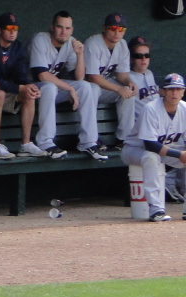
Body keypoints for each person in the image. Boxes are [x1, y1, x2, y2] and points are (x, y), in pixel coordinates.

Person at [29, 11, 107, 160]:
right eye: (59, 27)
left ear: (72, 29)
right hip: (30, 88)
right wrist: (69, 88)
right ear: (52, 27)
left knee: (85, 86)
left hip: (51, 89)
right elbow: (42, 75)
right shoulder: (40, 39)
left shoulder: (70, 42)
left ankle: (88, 142)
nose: (63, 32)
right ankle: (45, 142)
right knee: (50, 87)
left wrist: (79, 55)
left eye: (67, 28)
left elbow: (79, 77)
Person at [120, 73, 186, 222]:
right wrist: (180, 155)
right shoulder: (151, 109)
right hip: (134, 150)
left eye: (178, 89)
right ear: (162, 92)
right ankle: (156, 210)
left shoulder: (185, 109)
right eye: (170, 89)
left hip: (167, 149)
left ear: (183, 91)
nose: (174, 93)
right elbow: (150, 144)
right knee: (151, 157)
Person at [0, 13, 43, 158]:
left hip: (5, 90)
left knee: (29, 94)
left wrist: (28, 86)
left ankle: (26, 144)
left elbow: (20, 75)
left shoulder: (17, 47)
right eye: (8, 28)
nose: (12, 31)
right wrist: (19, 88)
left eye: (15, 28)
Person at [126, 37, 183, 203]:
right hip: (141, 131)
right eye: (138, 56)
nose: (143, 59)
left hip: (161, 127)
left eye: (146, 55)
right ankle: (160, 201)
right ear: (130, 58)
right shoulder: (127, 78)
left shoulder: (149, 74)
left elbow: (155, 94)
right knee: (154, 156)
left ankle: (171, 180)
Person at [83, 13, 137, 148]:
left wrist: (128, 82)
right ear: (104, 28)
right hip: (84, 87)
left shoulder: (122, 45)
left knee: (128, 93)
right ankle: (93, 139)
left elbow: (121, 74)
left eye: (121, 29)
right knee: (93, 90)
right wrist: (119, 88)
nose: (116, 33)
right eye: (113, 28)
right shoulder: (93, 43)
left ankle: (124, 139)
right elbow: (92, 77)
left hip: (103, 85)